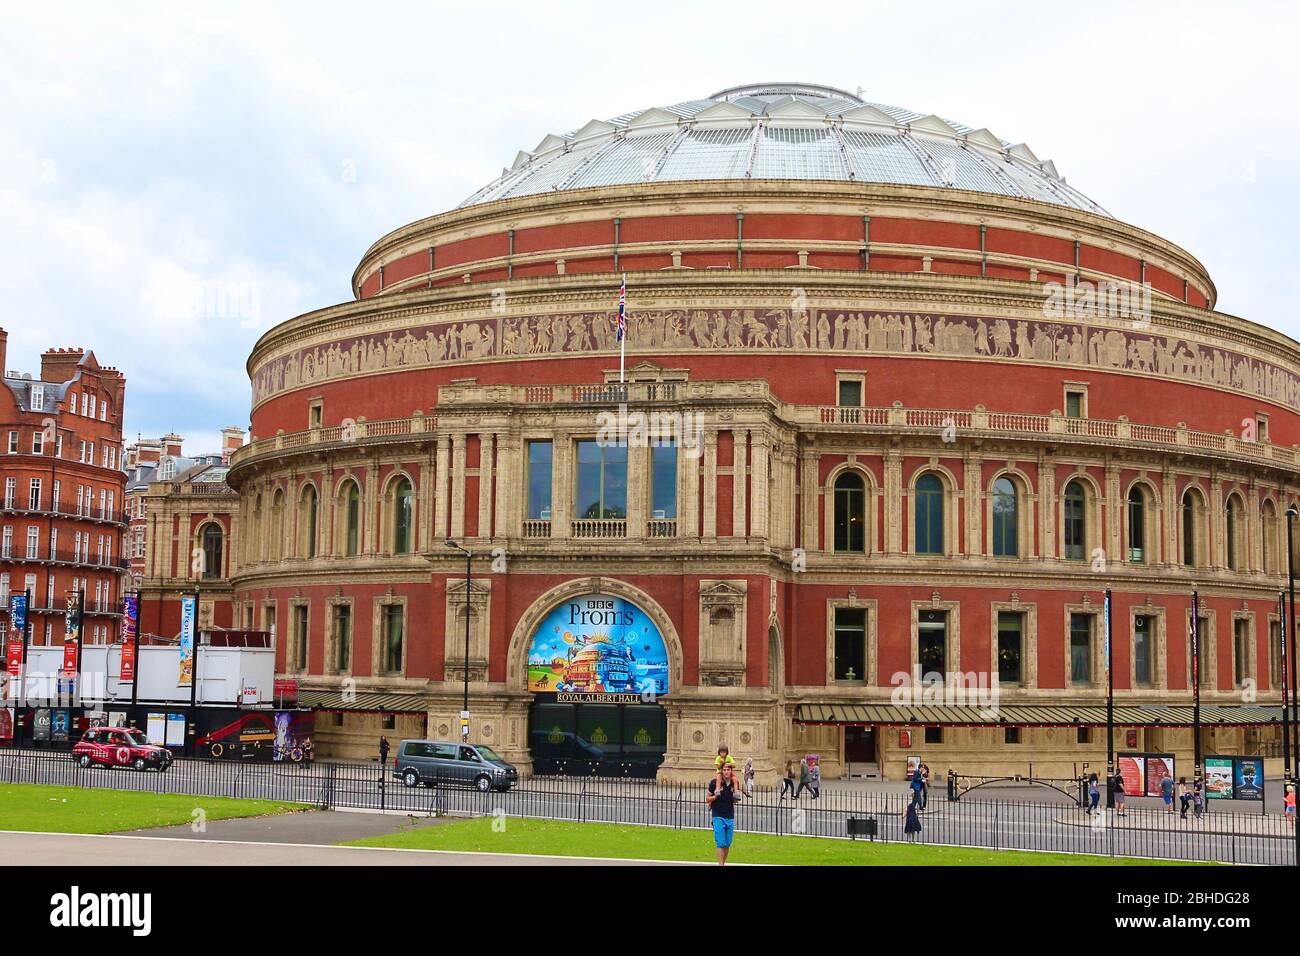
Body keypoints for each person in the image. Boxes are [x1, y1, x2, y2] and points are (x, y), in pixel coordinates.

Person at [706, 762, 742, 865]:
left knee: (727, 844)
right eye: (724, 770)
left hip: (729, 816)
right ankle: (720, 864)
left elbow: (734, 801)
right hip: (717, 815)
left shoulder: (734, 783)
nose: (726, 772)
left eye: (728, 770)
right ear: (722, 771)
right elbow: (707, 798)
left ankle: (723, 862)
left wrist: (736, 798)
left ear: (731, 771)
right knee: (720, 843)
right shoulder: (714, 783)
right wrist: (715, 797)